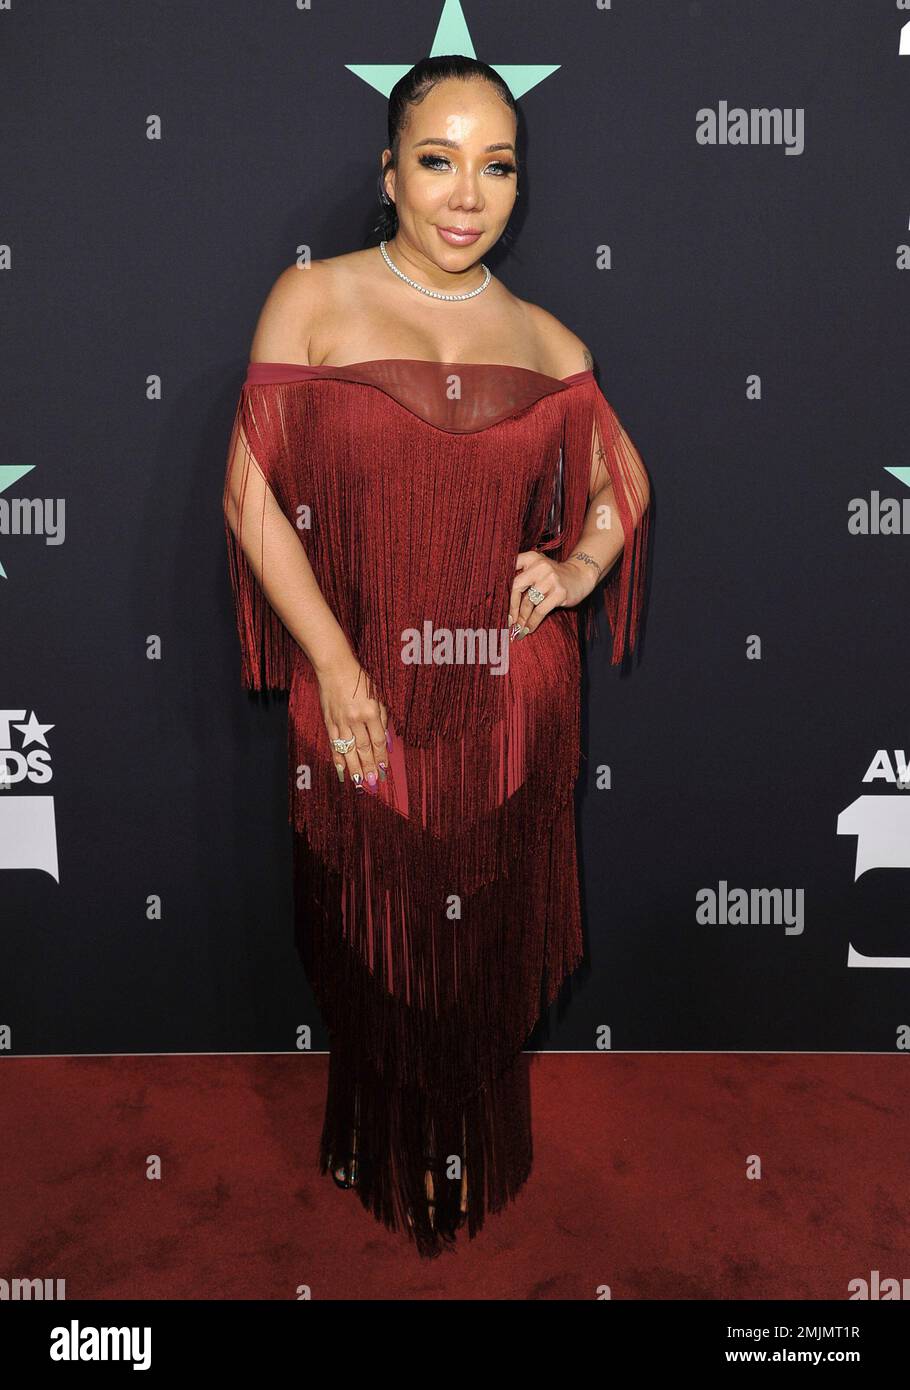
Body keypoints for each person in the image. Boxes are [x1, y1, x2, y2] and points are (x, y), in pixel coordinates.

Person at [222, 54, 651, 1258]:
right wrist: (337, 666)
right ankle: (378, 1133)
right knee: (373, 935)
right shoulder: (314, 301)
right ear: (390, 172)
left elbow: (626, 486)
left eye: (497, 165)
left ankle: (457, 1149)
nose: (469, 193)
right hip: (361, 696)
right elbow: (250, 496)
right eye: (438, 158)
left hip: (507, 702)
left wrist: (570, 572)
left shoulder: (545, 340)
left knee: (472, 956)